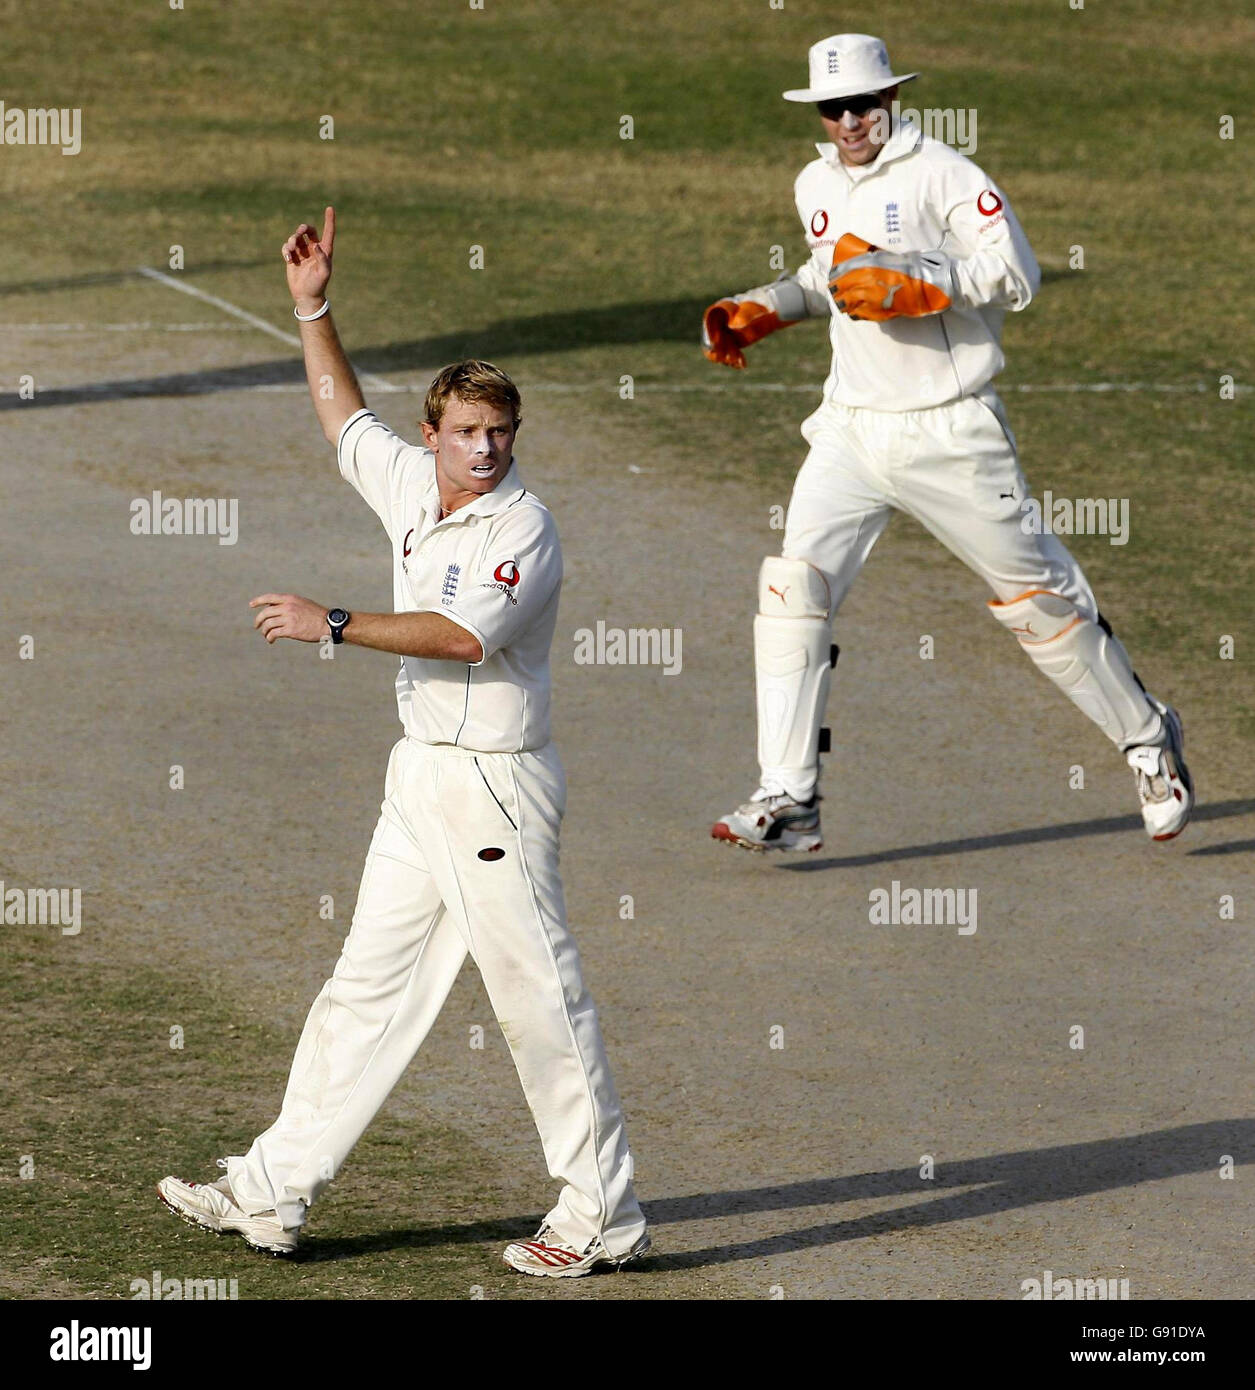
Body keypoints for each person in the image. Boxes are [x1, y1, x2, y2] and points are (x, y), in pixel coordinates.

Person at [157, 207, 649, 1278]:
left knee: (535, 996)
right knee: (365, 987)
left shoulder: (522, 526)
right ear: (434, 434)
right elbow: (341, 418)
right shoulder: (410, 483)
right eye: (468, 432)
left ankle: (600, 1211)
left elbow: (467, 637)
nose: (485, 449)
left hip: (497, 787)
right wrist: (312, 307)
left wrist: (332, 622)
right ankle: (272, 1189)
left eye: (501, 433)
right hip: (420, 776)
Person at [704, 33, 1193, 853]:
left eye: (863, 103)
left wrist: (921, 278)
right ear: (817, 114)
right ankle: (790, 797)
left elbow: (1017, 273)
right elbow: (837, 277)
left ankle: (1148, 741)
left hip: (951, 429)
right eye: (833, 108)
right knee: (792, 588)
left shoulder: (946, 174)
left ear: (891, 99)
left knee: (1034, 606)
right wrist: (772, 303)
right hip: (851, 428)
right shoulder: (814, 182)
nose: (850, 120)